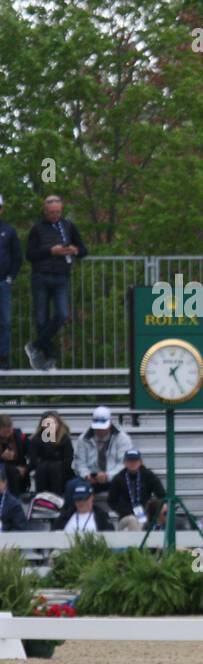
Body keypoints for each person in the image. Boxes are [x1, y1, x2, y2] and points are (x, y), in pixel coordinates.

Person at [24, 194, 88, 370]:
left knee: (61, 314)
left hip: (61, 276)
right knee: (41, 319)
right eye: (51, 212)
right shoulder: (37, 229)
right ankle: (49, 356)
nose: (55, 215)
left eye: (58, 212)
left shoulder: (69, 226)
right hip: (41, 276)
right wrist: (51, 251)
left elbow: (83, 250)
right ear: (45, 211)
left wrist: (74, 250)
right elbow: (30, 255)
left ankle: (36, 346)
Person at [72, 405, 132, 497]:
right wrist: (86, 475)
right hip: (91, 478)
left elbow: (124, 464)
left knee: (127, 484)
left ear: (110, 424)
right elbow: (80, 463)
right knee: (71, 486)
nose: (100, 430)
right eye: (97, 427)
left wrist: (108, 476)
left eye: (103, 427)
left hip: (115, 477)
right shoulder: (83, 439)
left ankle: (126, 511)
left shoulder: (123, 439)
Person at [108, 449, 167, 531]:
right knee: (133, 520)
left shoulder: (148, 475)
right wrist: (124, 511)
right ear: (124, 463)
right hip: (126, 517)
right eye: (129, 461)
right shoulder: (118, 478)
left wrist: (155, 507)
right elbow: (111, 501)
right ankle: (137, 543)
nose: (132, 463)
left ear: (140, 462)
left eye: (135, 460)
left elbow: (162, 494)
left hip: (146, 515)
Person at [0, 194, 23, 370]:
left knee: (5, 321)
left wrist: (10, 278)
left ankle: (3, 357)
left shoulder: (9, 231)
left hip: (3, 282)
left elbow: (17, 256)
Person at [27, 410, 74, 493]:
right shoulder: (35, 440)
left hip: (61, 475)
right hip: (42, 475)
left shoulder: (65, 439)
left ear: (59, 424)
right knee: (43, 468)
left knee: (55, 469)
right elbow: (33, 461)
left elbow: (68, 462)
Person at [0, 414, 31, 494]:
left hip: (20, 468)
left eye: (9, 431)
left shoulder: (19, 436)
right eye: (4, 432)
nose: (7, 435)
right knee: (12, 471)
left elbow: (31, 452)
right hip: (3, 469)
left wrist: (26, 468)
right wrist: (2, 457)